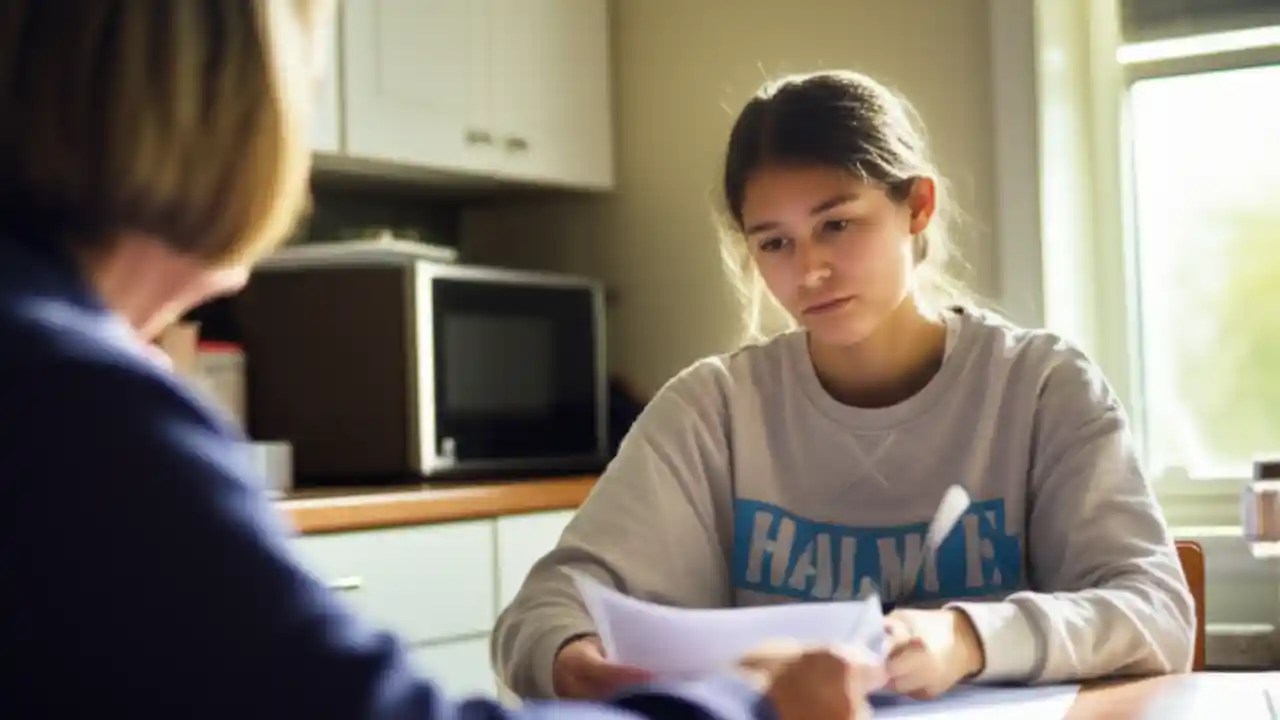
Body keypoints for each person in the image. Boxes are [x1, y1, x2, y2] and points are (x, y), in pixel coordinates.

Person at [0, 3, 883, 718]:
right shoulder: (79, 407)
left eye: (838, 224)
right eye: (304, 86)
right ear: (218, 107)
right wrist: (747, 704)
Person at [492, 69, 1197, 702]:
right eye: (774, 242)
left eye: (837, 224)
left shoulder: (1043, 387)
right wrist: (574, 662)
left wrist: (970, 638)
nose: (809, 271)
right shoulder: (713, 412)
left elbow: (1157, 611)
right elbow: (544, 610)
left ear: (916, 208)